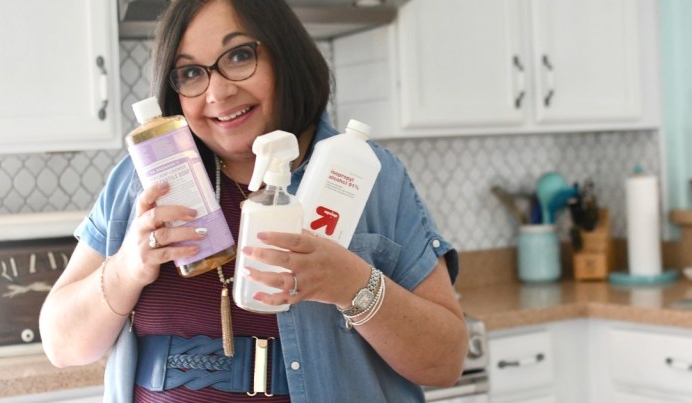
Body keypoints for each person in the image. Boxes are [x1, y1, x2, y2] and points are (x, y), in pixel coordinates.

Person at [39, 0, 467, 401]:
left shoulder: (367, 174)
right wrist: (127, 269)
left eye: (239, 56)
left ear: (285, 56)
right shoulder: (142, 179)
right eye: (190, 73)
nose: (217, 93)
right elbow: (62, 345)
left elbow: (445, 362)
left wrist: (353, 284)